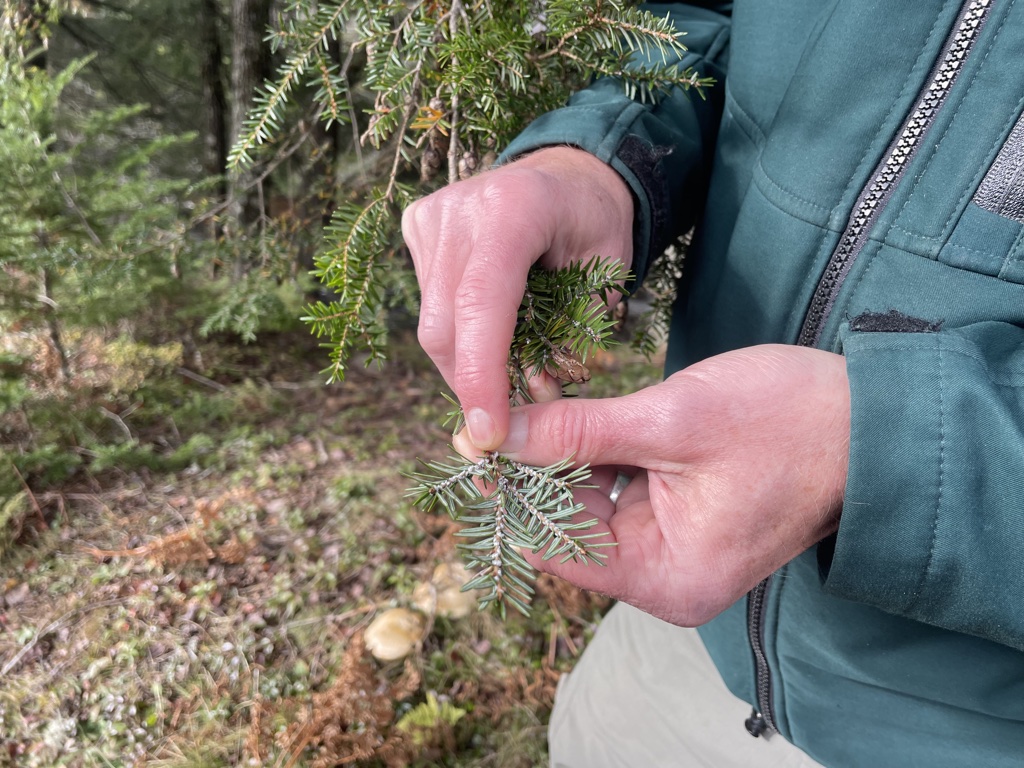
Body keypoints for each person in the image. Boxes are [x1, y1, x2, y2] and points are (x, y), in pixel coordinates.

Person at [402, 1, 1024, 765]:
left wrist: (879, 452)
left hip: (968, 730)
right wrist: (601, 159)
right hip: (683, 653)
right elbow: (702, 21)